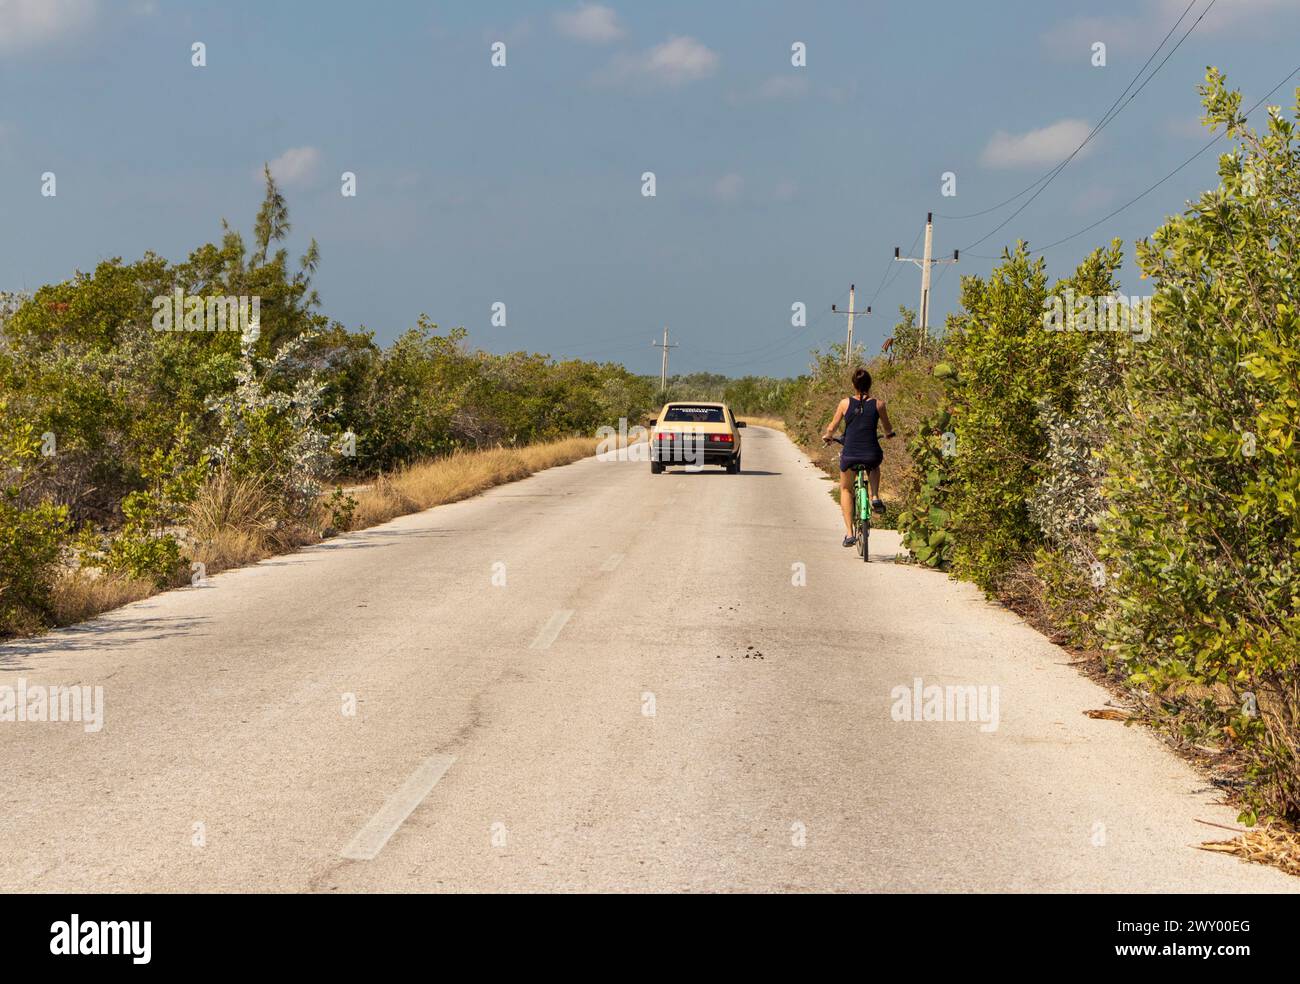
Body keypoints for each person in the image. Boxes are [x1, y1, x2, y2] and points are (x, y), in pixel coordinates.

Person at [821, 368, 895, 547]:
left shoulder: (844, 404)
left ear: (853, 385)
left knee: (846, 490)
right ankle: (875, 496)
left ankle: (849, 534)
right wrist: (889, 434)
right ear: (870, 385)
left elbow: (832, 427)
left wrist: (828, 436)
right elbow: (887, 428)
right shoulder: (879, 404)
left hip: (850, 454)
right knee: (874, 464)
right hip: (871, 452)